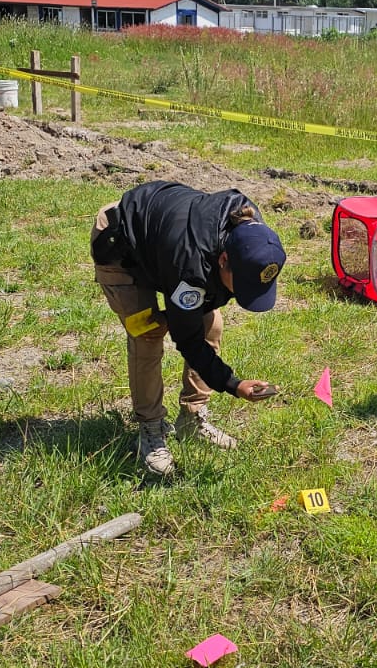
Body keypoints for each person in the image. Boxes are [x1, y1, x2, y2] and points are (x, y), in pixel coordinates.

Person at [90, 181, 285, 475]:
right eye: (242, 286)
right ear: (223, 260)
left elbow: (203, 307)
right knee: (148, 334)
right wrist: (233, 384)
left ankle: (192, 418)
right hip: (121, 245)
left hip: (164, 247)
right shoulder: (190, 266)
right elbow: (189, 340)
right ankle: (151, 430)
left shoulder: (253, 235)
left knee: (212, 324)